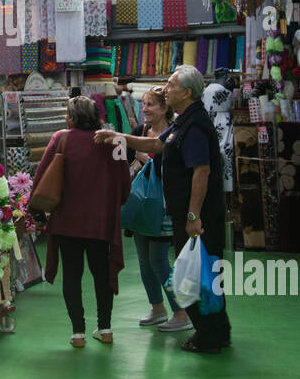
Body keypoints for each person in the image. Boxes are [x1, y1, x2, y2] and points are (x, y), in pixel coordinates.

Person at [97, 66, 231, 354]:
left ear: (186, 92)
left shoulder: (195, 127)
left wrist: (193, 216)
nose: (165, 89)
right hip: (188, 214)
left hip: (198, 217)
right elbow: (156, 144)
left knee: (197, 274)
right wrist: (118, 136)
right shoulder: (185, 121)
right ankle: (218, 331)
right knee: (203, 272)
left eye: (170, 85)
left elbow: (202, 171)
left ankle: (209, 336)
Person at [38, 96, 131, 348]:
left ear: (70, 118)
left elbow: (41, 175)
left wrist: (39, 208)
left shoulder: (61, 138)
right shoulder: (114, 140)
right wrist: (114, 203)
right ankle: (105, 328)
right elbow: (125, 181)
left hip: (67, 221)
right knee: (102, 274)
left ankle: (78, 332)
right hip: (101, 221)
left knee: (72, 275)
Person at [128, 86, 192, 332]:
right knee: (144, 261)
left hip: (163, 205)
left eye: (150, 104)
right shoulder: (139, 132)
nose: (145, 109)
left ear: (165, 108)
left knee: (158, 259)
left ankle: (181, 312)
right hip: (141, 203)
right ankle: (157, 308)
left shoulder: (174, 135)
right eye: (143, 104)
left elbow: (178, 169)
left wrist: (149, 159)